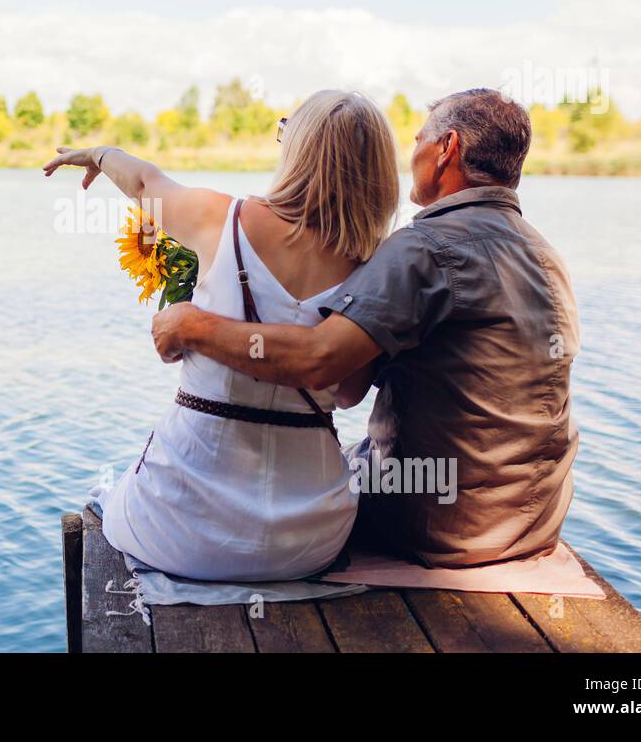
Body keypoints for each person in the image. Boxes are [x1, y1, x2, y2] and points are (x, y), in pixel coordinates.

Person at [151, 88, 580, 568]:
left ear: (446, 149)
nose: (410, 153)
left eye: (420, 138)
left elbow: (320, 362)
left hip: (442, 523)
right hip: (532, 520)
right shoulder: (544, 255)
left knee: (292, 480)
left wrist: (191, 325)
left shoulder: (423, 249)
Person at [43, 90, 400, 580]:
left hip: (182, 527)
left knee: (107, 499)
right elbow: (348, 392)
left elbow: (146, 180)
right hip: (309, 537)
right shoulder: (376, 270)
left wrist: (103, 156)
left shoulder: (221, 219)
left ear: (297, 152)